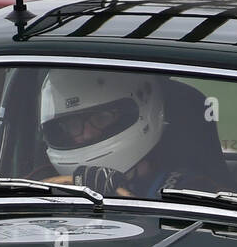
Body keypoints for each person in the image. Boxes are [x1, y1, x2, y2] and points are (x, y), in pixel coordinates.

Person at [38, 70, 221, 198]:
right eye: (72, 124)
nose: (85, 135)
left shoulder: (191, 190)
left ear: (143, 110)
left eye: (101, 118)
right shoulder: (44, 189)